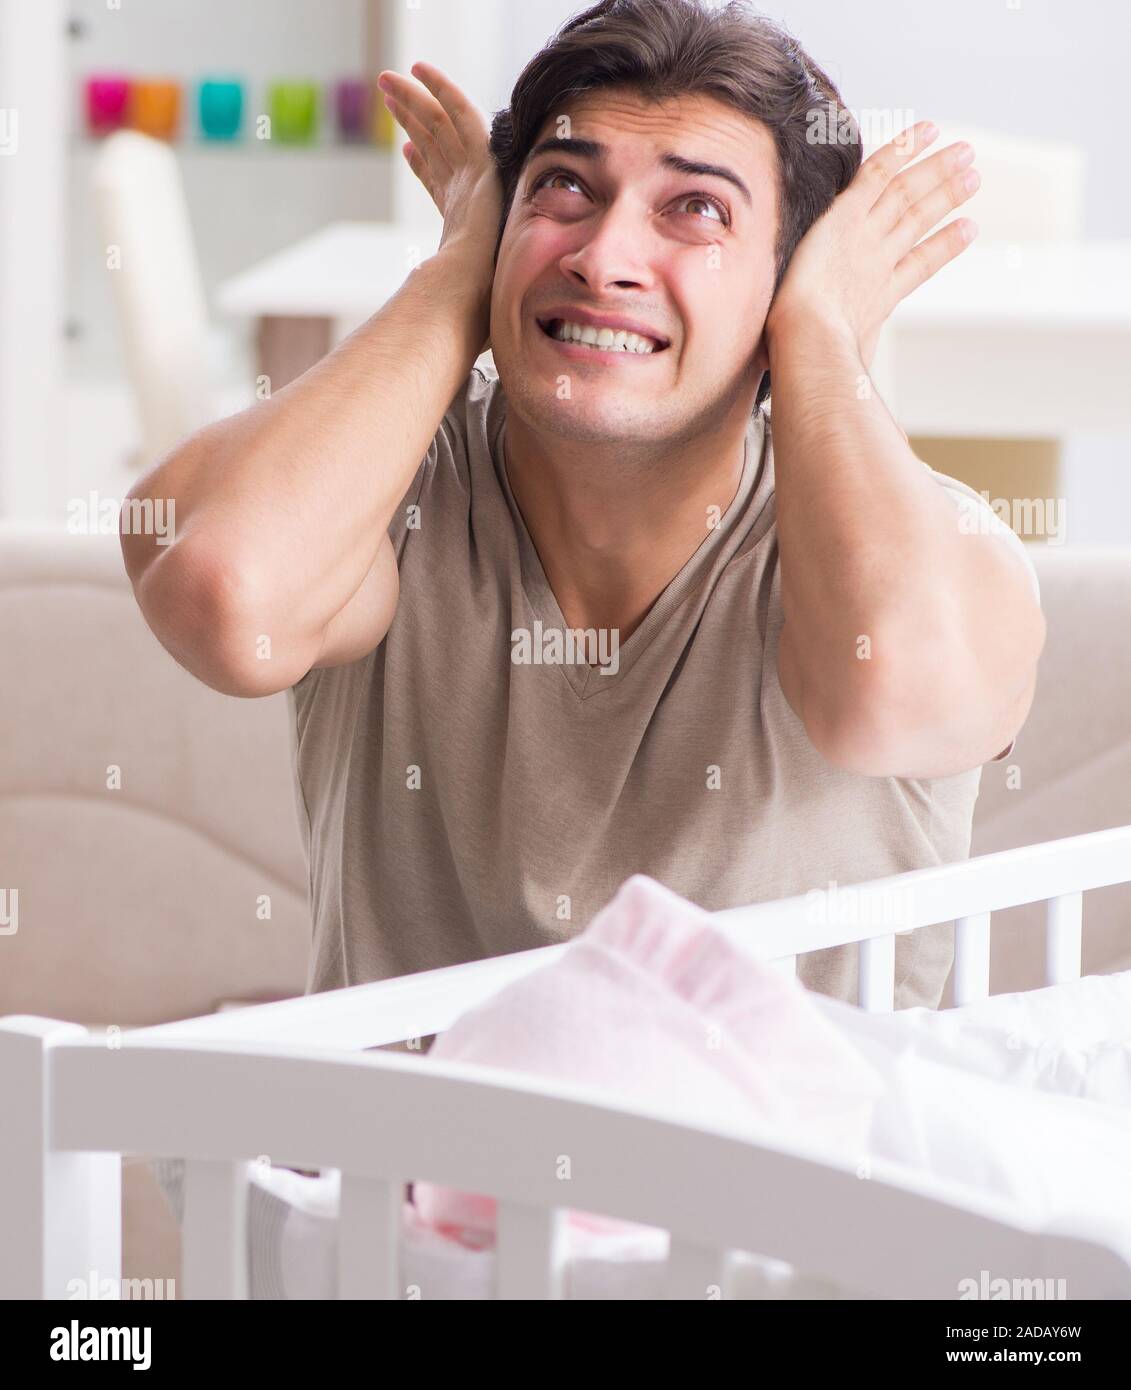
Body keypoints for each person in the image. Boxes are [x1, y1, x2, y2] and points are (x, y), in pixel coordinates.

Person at [120, 0, 1044, 1010]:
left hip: (791, 1169)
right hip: (412, 1161)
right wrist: (454, 273)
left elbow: (892, 688)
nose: (603, 256)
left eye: (698, 210)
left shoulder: (948, 557)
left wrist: (823, 329)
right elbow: (224, 594)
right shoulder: (388, 498)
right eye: (563, 188)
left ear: (783, 286)